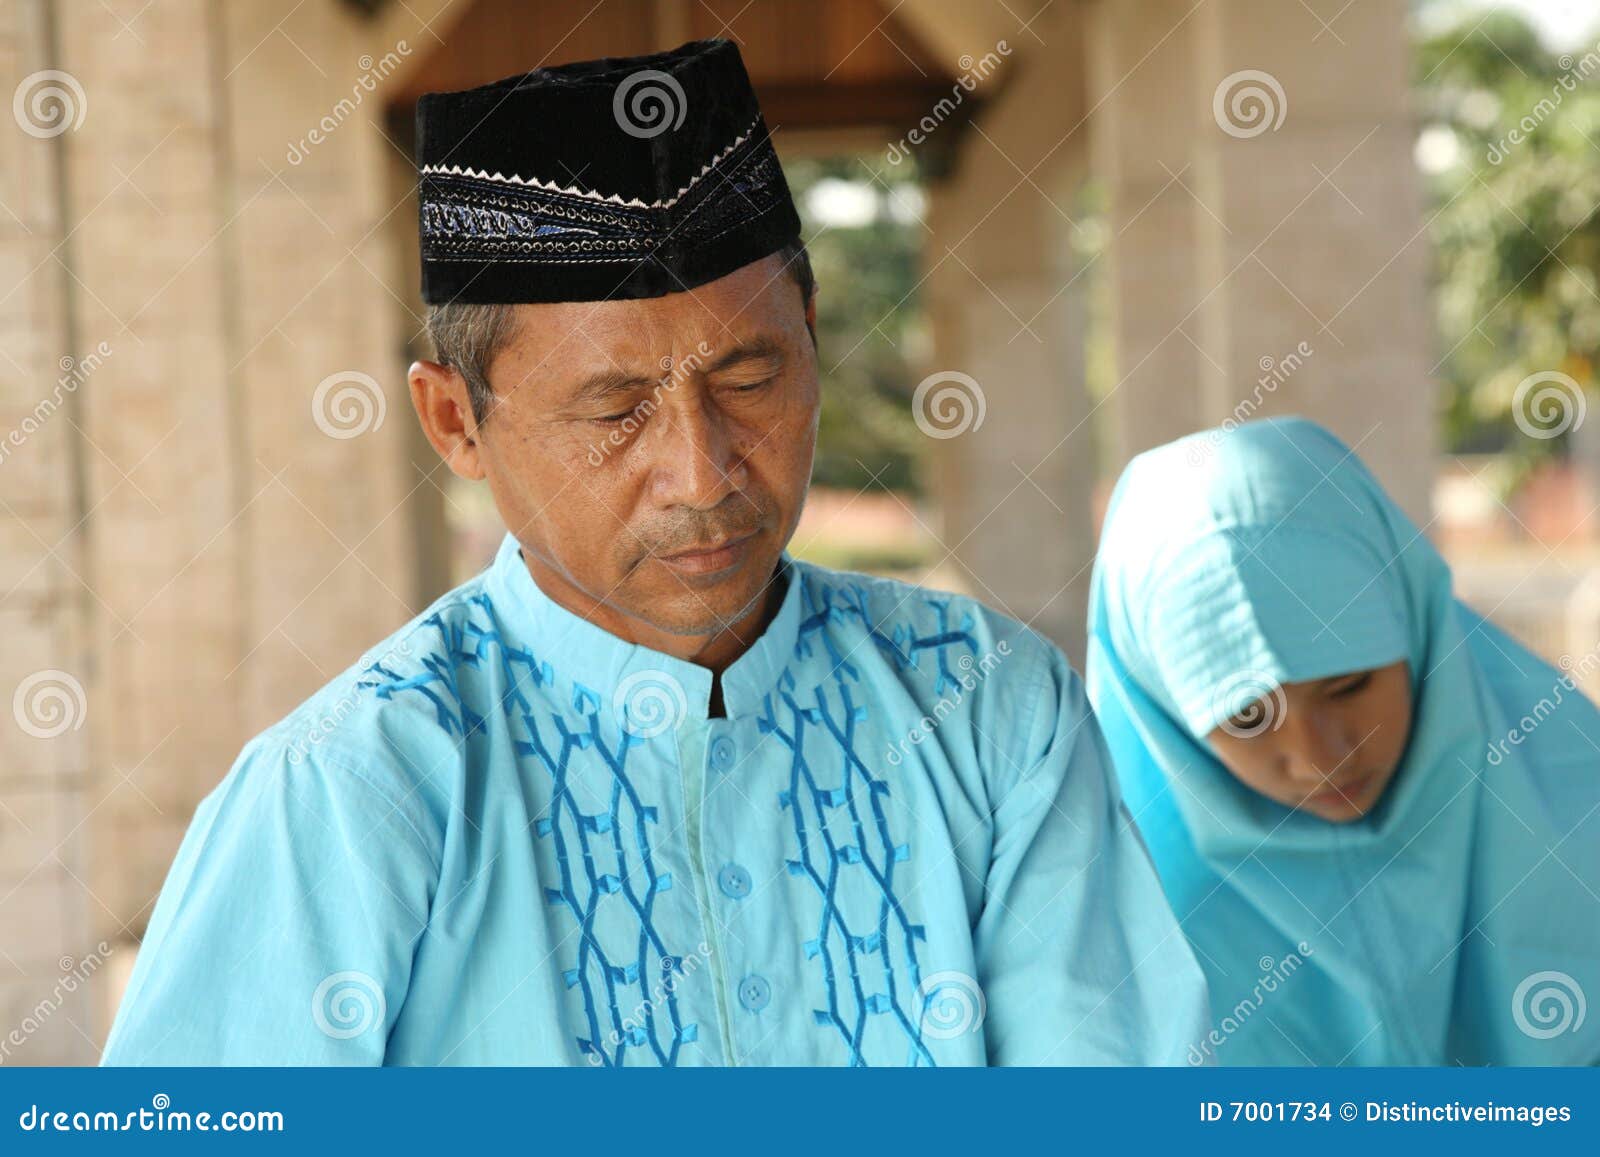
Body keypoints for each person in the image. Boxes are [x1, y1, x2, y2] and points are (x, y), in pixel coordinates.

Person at [102, 38, 1206, 1066]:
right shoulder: (356, 793)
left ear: (812, 336)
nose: (704, 470)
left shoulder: (988, 711)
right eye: (615, 407)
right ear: (456, 423)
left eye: (748, 377)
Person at [1086, 415, 1600, 1066]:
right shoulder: (1109, 914)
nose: (1320, 757)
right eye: (1245, 716)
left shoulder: (1575, 792)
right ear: (1165, 709)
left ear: (1415, 628)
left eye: (1350, 684)